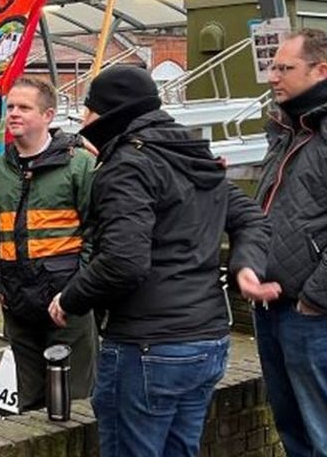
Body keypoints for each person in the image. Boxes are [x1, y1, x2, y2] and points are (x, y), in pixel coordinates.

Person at [46, 65, 279, 457]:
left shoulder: (126, 167)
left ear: (110, 113)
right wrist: (246, 267)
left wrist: (69, 298)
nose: (83, 120)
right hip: (208, 340)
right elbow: (251, 218)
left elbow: (124, 261)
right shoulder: (191, 155)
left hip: (148, 346)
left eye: (88, 110)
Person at [0, 75, 96, 412]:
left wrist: (77, 290)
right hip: (17, 303)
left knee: (75, 406)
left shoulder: (78, 165)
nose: (13, 113)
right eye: (10, 106)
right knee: (28, 406)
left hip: (66, 306)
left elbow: (95, 232)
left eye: (24, 107)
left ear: (48, 115)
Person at [253, 28, 327, 456]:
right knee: (292, 426)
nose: (272, 76)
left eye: (284, 68)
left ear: (320, 70)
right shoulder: (285, 130)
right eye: (272, 66)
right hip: (272, 304)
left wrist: (317, 298)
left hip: (313, 313)